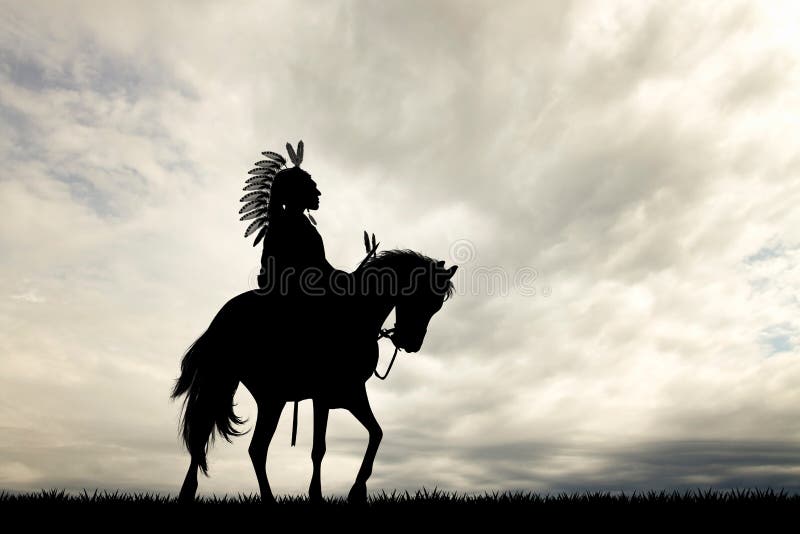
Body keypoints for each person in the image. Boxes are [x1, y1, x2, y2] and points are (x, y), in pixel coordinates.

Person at [256, 166, 337, 296]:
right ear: (298, 191)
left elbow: (320, 266)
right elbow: (316, 266)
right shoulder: (287, 225)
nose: (318, 192)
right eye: (312, 187)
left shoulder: (300, 224)